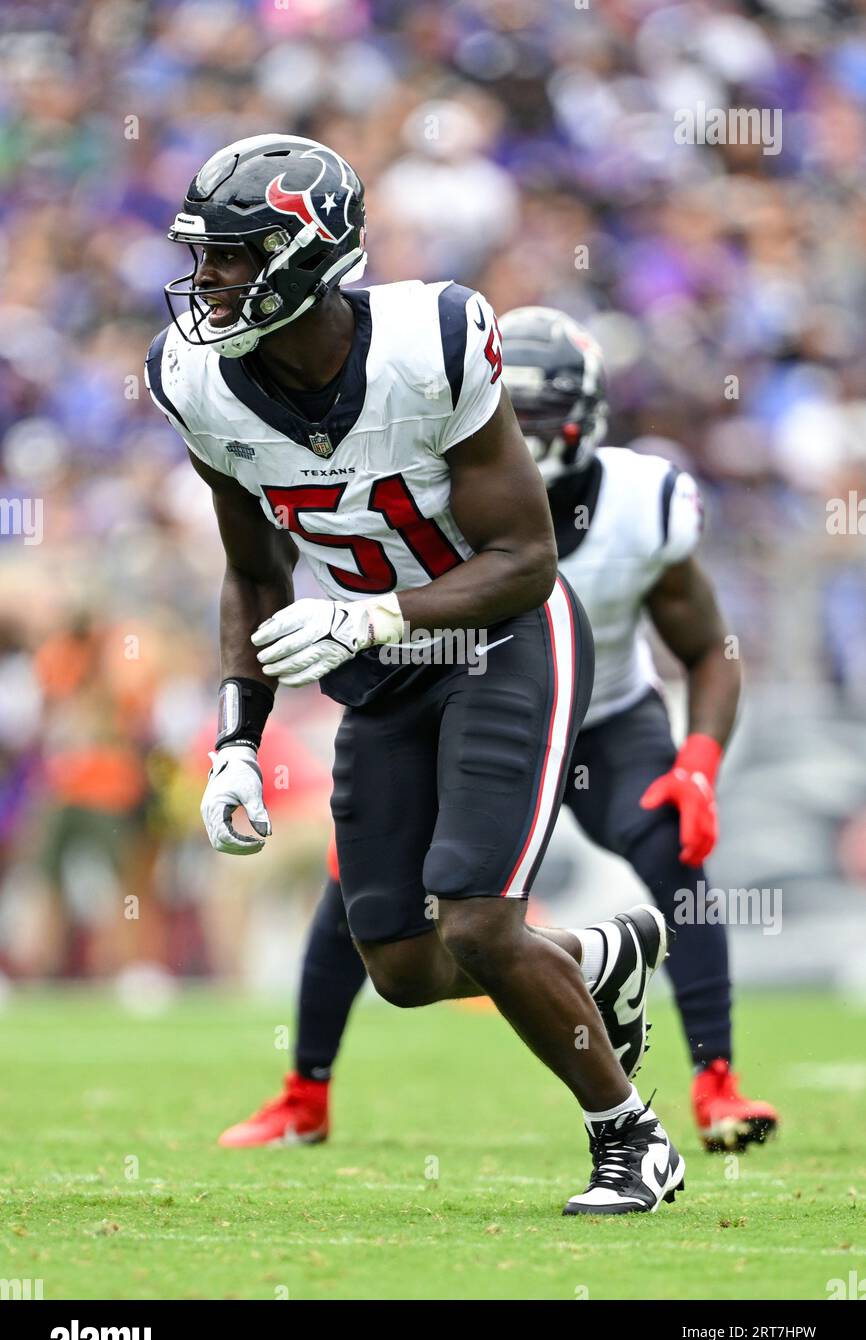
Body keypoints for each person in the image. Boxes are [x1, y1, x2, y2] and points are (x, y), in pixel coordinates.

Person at [146, 134, 685, 1216]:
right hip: (380, 673)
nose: (206, 279)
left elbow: (524, 560)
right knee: (399, 964)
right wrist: (237, 743)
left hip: (502, 639)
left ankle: (629, 1138)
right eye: (202, 255)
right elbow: (251, 574)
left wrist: (374, 611)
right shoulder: (198, 383)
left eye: (235, 256)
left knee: (481, 922)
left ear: (307, 255)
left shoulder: (429, 342)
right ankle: (594, 955)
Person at [219, 304, 777, 1158]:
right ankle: (305, 1092)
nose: (527, 436)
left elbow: (709, 648)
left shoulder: (639, 500)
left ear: (588, 421)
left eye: (543, 418)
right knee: (369, 904)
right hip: (466, 706)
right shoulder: (435, 482)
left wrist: (698, 759)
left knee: (673, 849)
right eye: (512, 416)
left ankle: (716, 1082)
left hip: (606, 721)